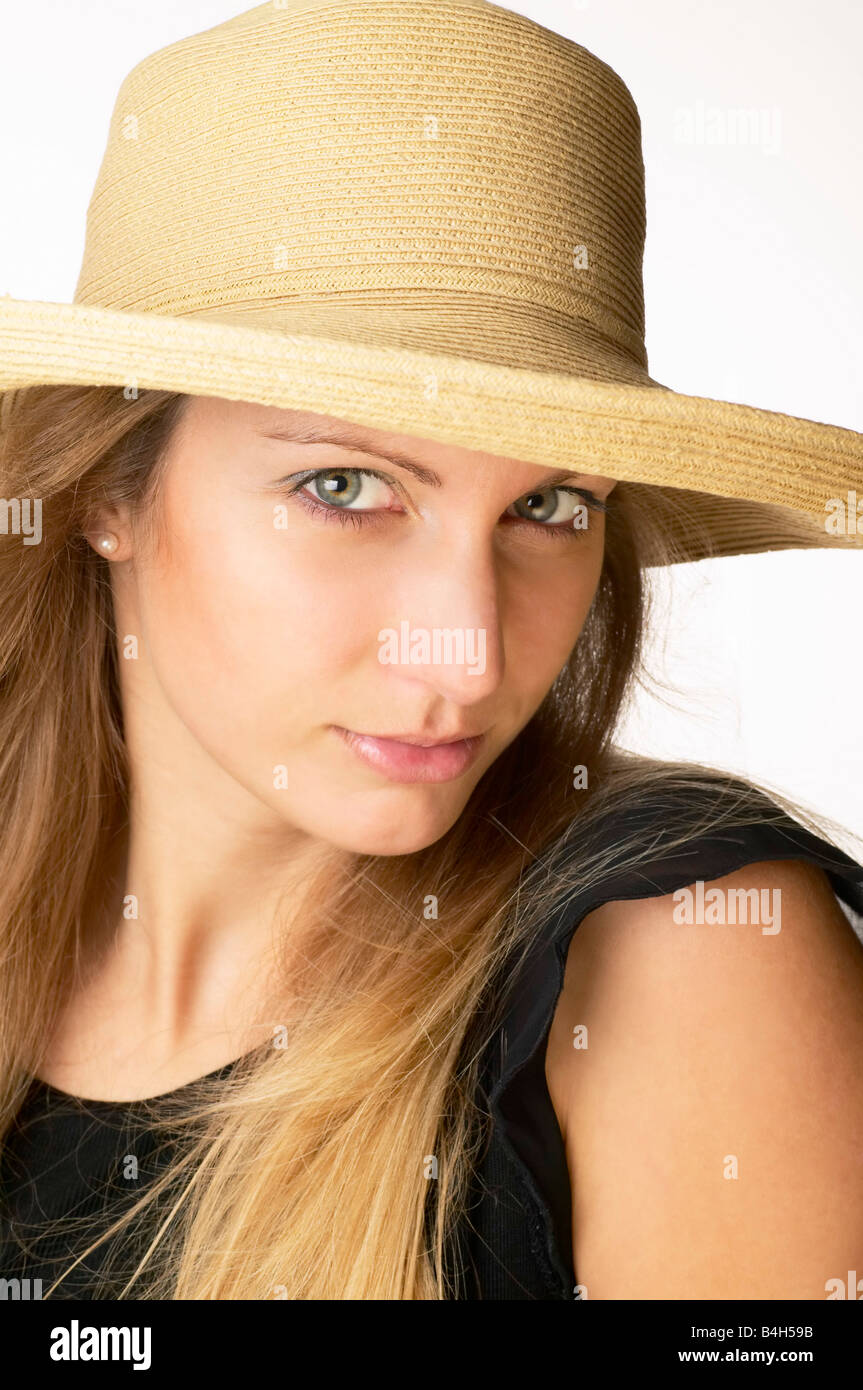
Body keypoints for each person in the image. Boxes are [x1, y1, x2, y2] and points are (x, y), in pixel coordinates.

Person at [0, 0, 861, 1301]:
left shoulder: (680, 953)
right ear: (111, 495)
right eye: (346, 485)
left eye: (550, 505)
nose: (463, 651)